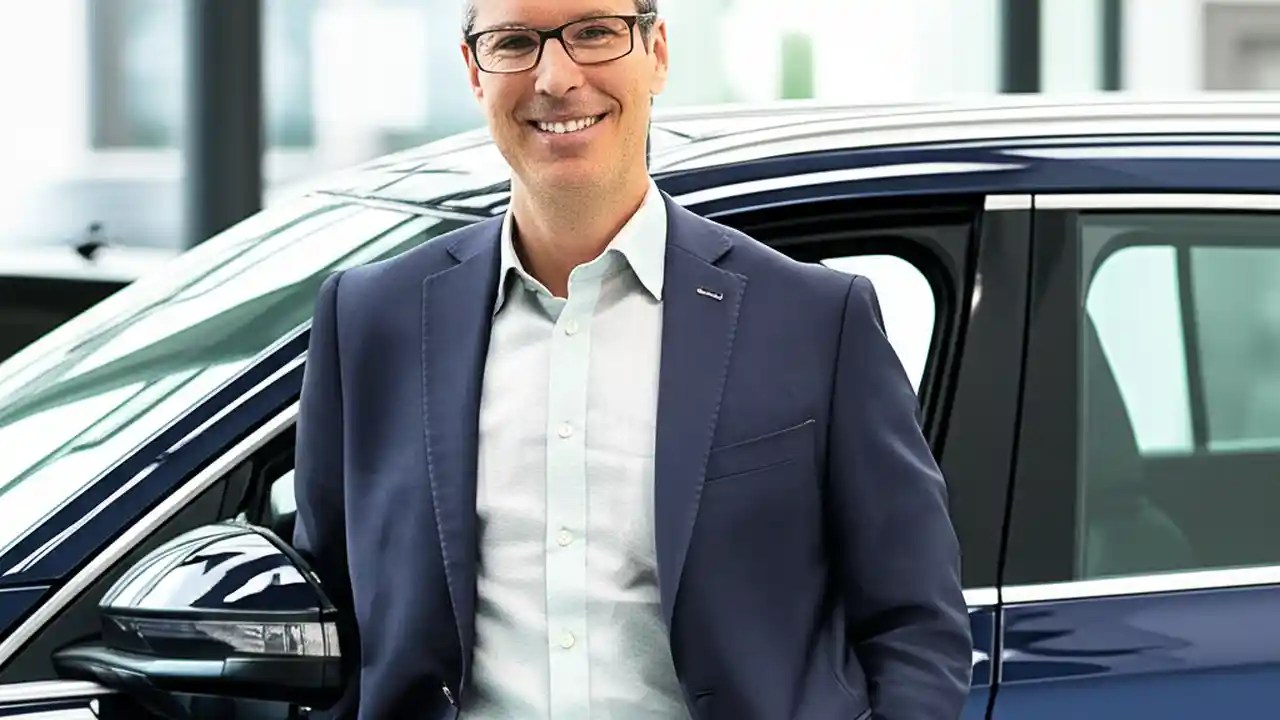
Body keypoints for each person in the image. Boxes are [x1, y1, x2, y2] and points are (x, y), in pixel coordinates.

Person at [292, 0, 973, 717]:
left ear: (657, 52)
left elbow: (914, 623)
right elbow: (327, 623)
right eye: (514, 42)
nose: (556, 77)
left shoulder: (813, 321)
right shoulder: (371, 321)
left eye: (593, 32)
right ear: (472, 70)